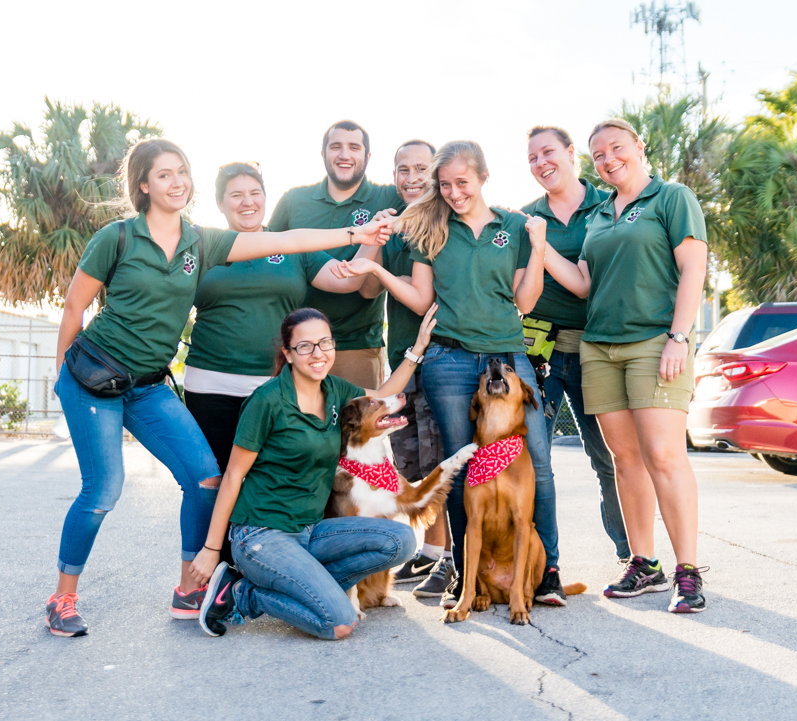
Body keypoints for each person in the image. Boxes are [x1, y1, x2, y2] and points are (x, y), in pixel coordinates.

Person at [46, 139, 395, 637]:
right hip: (94, 378)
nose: (177, 182)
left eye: (182, 171)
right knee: (103, 489)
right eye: (164, 174)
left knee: (206, 478)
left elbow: (288, 241)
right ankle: (62, 597)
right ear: (143, 185)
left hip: (148, 386)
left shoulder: (201, 242)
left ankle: (191, 587)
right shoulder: (116, 238)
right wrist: (63, 374)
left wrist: (355, 233)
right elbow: (73, 307)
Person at [333, 140, 570, 609]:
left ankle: (547, 574)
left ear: (483, 177)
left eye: (462, 182)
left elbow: (524, 301)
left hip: (507, 355)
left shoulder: (515, 227)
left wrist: (540, 247)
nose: (454, 193)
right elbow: (423, 299)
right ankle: (467, 576)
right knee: (463, 468)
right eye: (445, 185)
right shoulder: (432, 229)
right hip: (450, 361)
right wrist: (379, 274)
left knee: (538, 463)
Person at [189, 305, 440, 640]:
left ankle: (312, 585)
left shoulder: (334, 391)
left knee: (401, 541)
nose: (318, 354)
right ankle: (241, 593)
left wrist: (417, 348)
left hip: (311, 531)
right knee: (338, 623)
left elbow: (383, 397)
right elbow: (233, 476)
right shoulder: (267, 401)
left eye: (325, 343)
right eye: (305, 346)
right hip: (262, 535)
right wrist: (210, 550)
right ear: (288, 354)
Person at [541, 118, 709, 613]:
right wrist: (538, 242)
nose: (608, 159)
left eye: (616, 148)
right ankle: (644, 564)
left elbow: (693, 269)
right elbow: (583, 284)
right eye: (599, 155)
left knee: (664, 456)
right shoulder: (599, 213)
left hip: (655, 341)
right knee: (625, 460)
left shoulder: (671, 198)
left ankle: (688, 572)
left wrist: (679, 336)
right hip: (599, 348)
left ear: (638, 146)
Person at [183, 161, 381, 475]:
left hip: (277, 388)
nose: (247, 202)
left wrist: (374, 236)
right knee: (212, 482)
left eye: (255, 193)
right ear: (219, 203)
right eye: (236, 195)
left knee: (274, 480)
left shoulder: (292, 245)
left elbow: (348, 280)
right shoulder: (200, 246)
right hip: (210, 387)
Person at [521, 126, 630, 562]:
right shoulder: (526, 217)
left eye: (548, 152)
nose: (541, 163)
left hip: (597, 350)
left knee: (610, 458)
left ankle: (631, 554)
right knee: (533, 460)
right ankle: (539, 563)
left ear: (570, 153)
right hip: (539, 351)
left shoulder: (610, 205)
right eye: (532, 157)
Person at [358, 140, 453, 597]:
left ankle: (452, 558)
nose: (412, 178)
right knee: (412, 462)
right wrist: (374, 244)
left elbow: (421, 297)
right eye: (403, 169)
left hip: (439, 356)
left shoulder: (442, 219)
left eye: (421, 169)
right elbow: (364, 290)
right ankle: (432, 551)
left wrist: (384, 277)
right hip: (403, 358)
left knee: (438, 462)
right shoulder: (395, 226)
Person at [267, 120, 401, 389]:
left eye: (354, 147)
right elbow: (267, 254)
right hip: (298, 345)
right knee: (297, 416)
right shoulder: (294, 200)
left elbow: (434, 202)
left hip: (356, 345)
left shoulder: (388, 197)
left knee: (354, 416)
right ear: (323, 153)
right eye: (336, 146)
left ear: (368, 156)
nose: (344, 155)